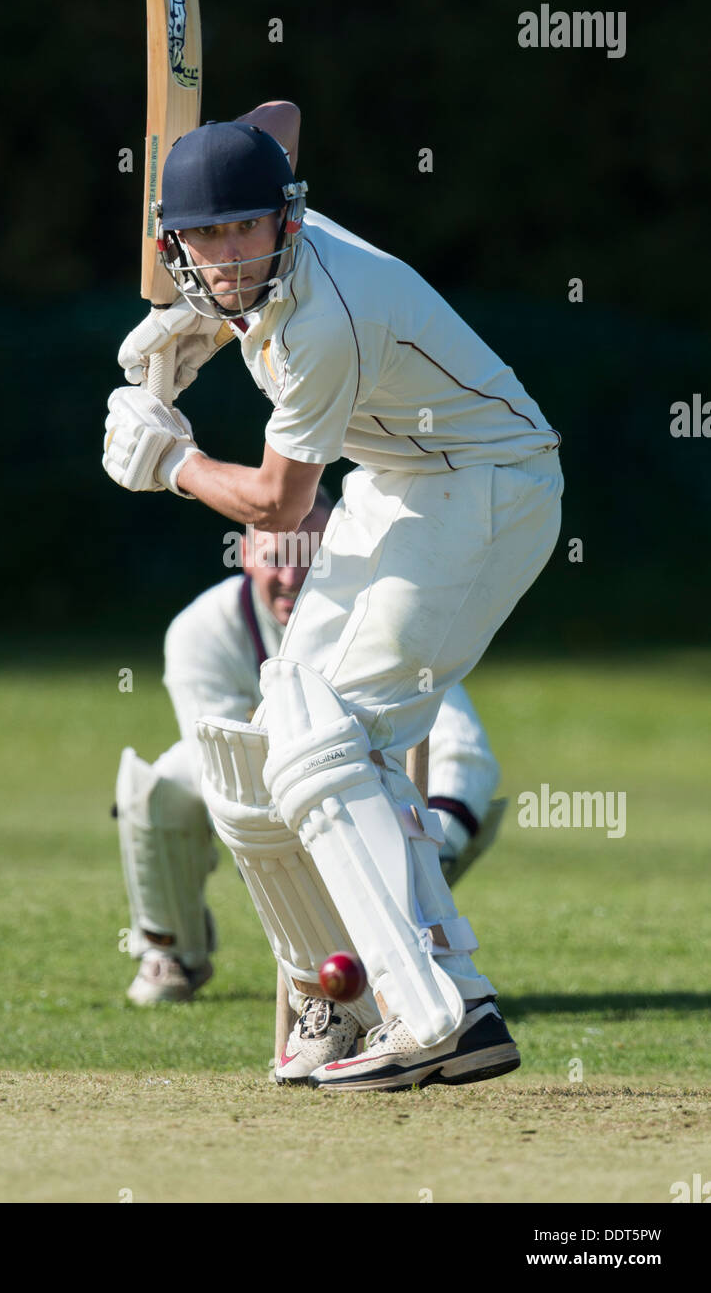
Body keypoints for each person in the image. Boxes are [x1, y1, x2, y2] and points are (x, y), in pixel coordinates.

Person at [102, 101, 562, 1091]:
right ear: (174, 243)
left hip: (483, 484)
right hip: (398, 481)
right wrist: (198, 319)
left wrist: (171, 461)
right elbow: (281, 117)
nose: (232, 254)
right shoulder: (254, 250)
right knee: (268, 743)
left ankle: (435, 1012)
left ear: (289, 223)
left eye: (247, 227)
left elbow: (275, 503)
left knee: (327, 737)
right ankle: (345, 994)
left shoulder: (320, 321)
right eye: (208, 235)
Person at [117, 487, 505, 1006]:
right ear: (246, 552)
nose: (291, 576)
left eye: (311, 557)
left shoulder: (383, 619)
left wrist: (427, 850)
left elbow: (462, 751)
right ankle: (170, 949)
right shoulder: (201, 631)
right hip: (273, 802)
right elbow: (224, 766)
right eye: (275, 557)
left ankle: (412, 929)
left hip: (380, 804)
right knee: (160, 783)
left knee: (450, 786)